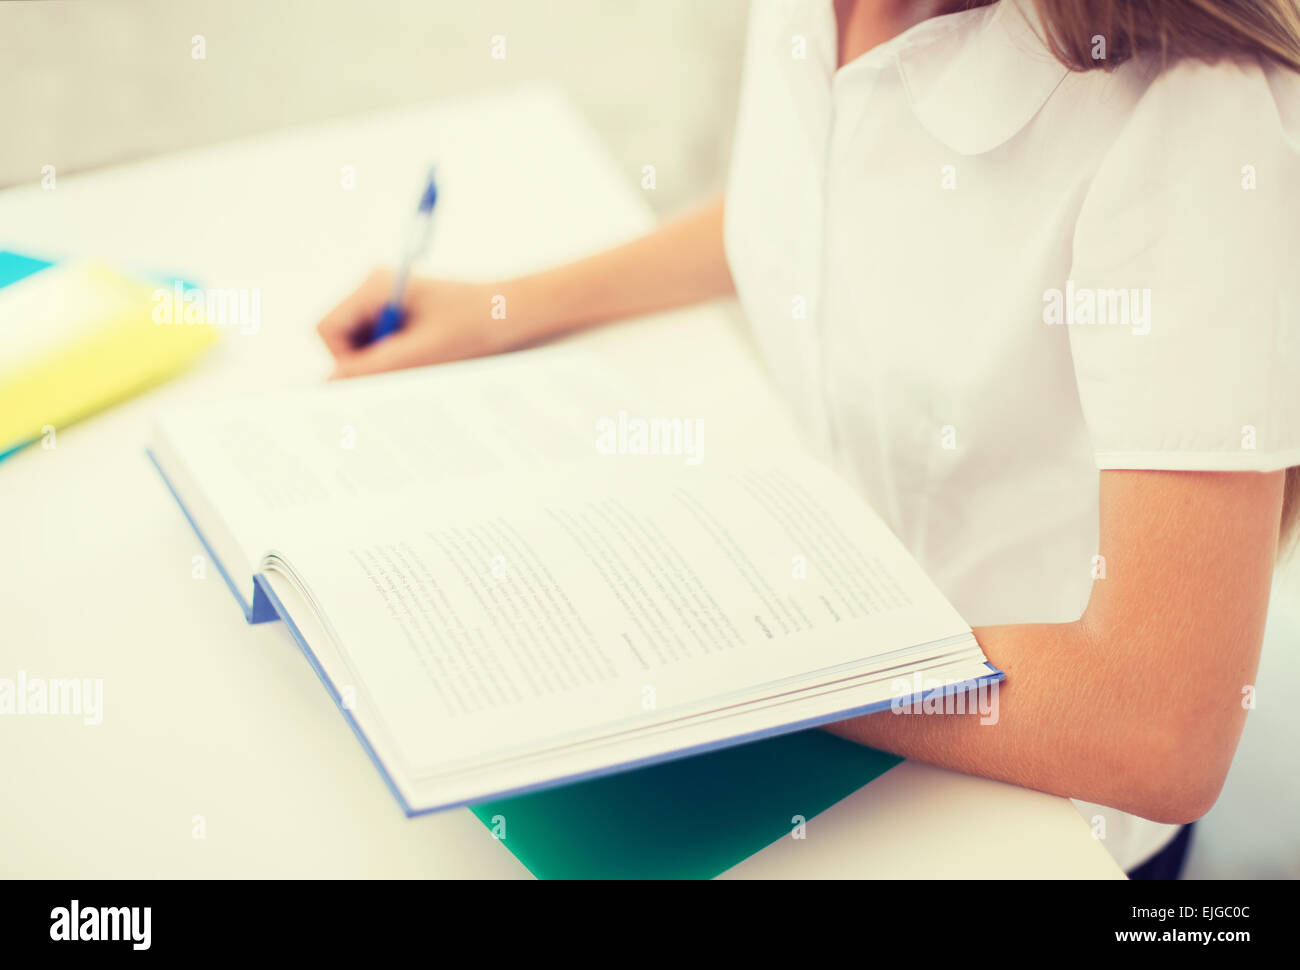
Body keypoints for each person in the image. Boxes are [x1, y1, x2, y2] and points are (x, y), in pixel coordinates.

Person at [316, 0, 1300, 878]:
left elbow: (1156, 725)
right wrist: (508, 305)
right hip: (820, 679)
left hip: (1029, 815)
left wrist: (722, 659)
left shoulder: (1201, 121)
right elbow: (817, 207)